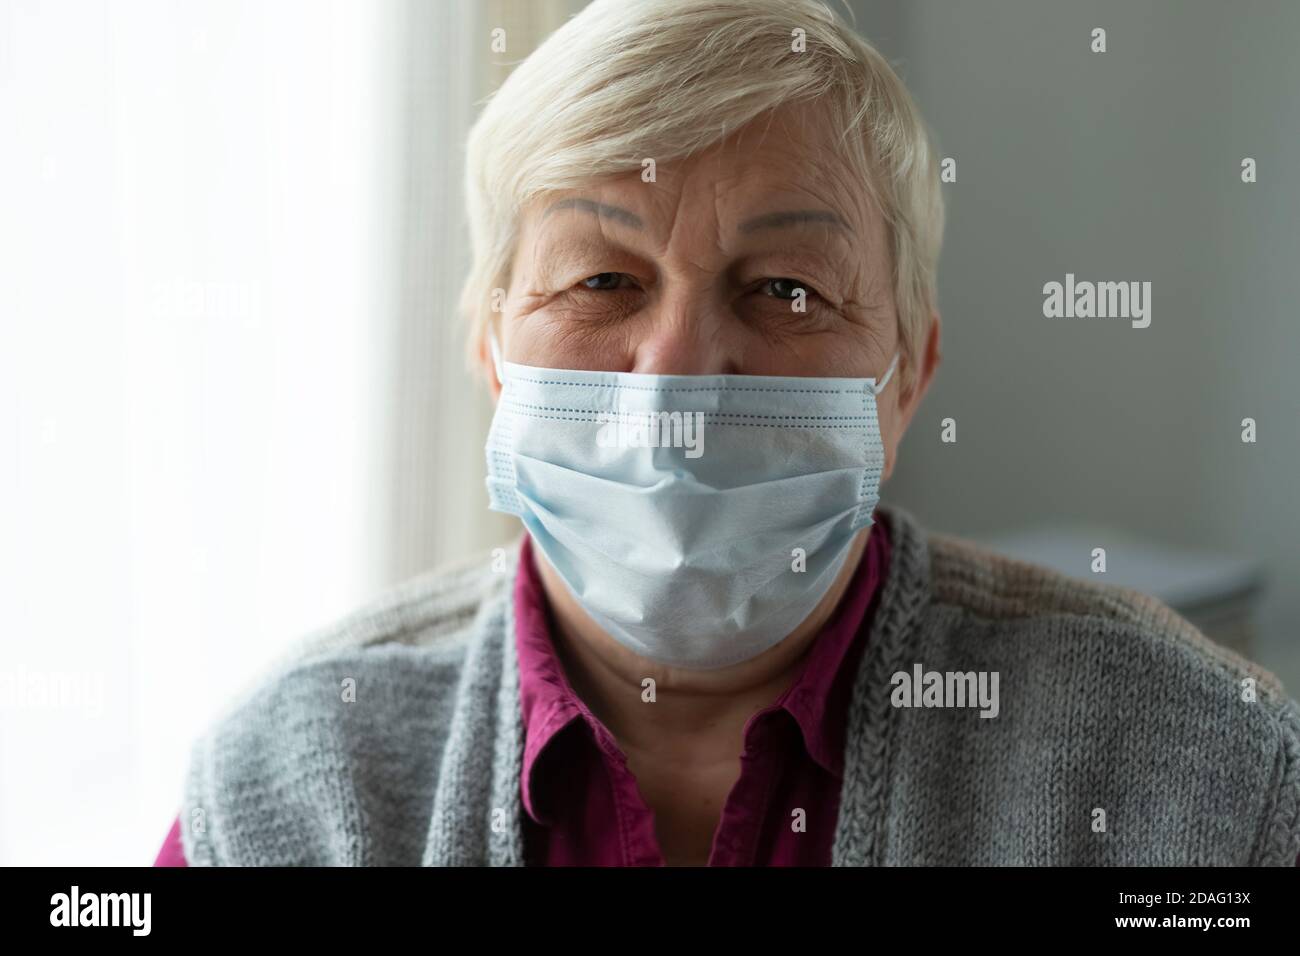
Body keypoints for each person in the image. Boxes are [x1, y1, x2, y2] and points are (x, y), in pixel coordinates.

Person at [156, 0, 1300, 867]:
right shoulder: (287, 785)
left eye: (787, 289)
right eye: (602, 277)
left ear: (907, 377)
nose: (679, 377)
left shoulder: (1200, 775)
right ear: (490, 350)